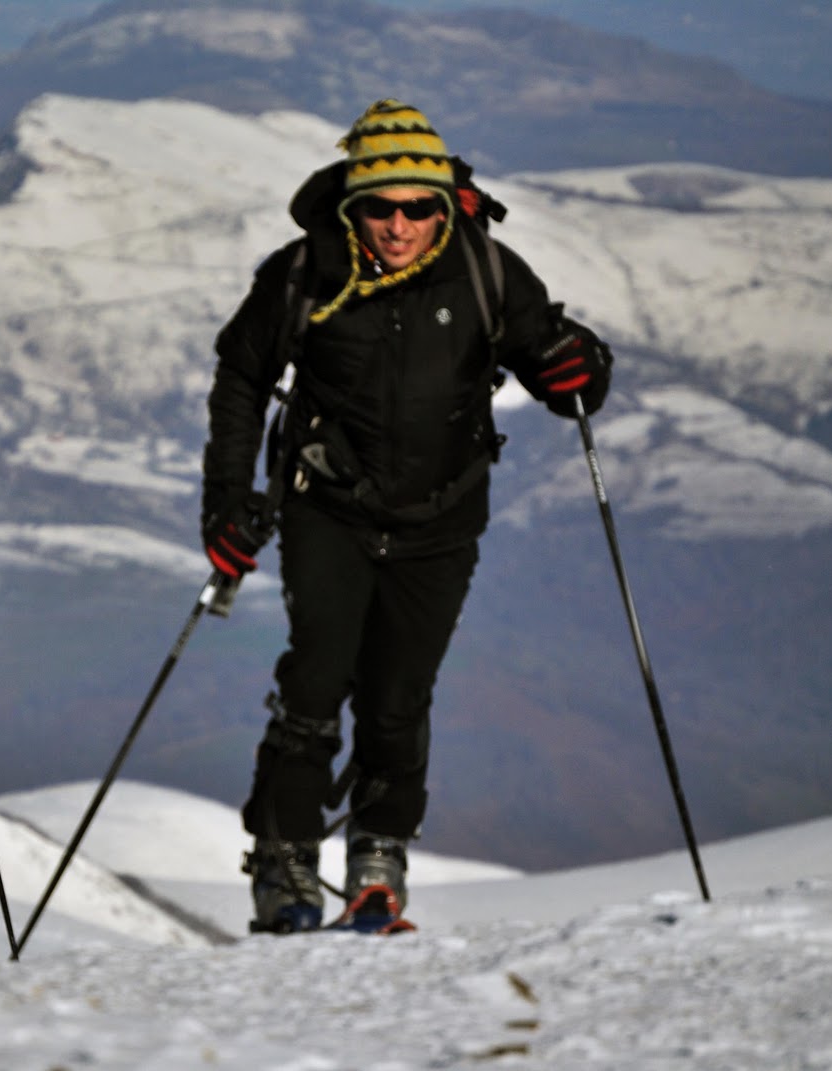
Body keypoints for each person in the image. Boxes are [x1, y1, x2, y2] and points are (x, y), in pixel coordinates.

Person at [200, 100, 612, 933]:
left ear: (445, 203)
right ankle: (284, 860)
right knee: (317, 678)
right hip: (328, 511)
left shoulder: (490, 272)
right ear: (352, 205)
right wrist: (229, 503)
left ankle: (378, 855)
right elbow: (241, 379)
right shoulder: (302, 273)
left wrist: (584, 370)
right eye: (380, 206)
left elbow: (561, 371)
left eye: (417, 207)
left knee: (398, 694)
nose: (398, 224)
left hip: (442, 521)